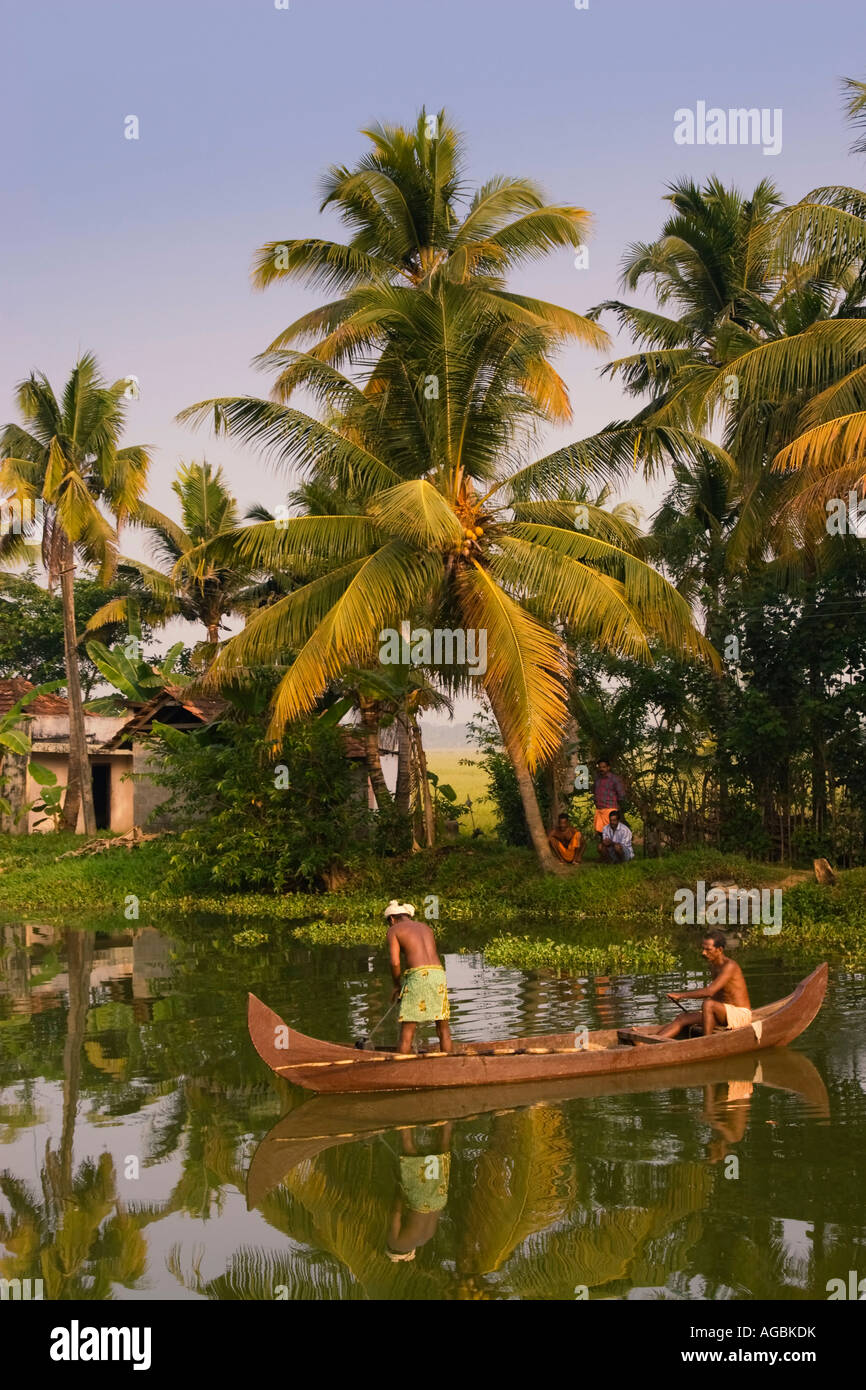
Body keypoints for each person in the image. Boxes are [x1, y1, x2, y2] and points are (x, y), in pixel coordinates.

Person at [655, 930, 754, 1039]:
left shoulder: (729, 966)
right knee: (683, 1018)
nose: (703, 953)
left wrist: (680, 995)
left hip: (740, 1014)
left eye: (708, 949)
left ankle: (705, 1042)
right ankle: (648, 1043)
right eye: (703, 948)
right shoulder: (712, 965)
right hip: (722, 1012)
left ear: (719, 950)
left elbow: (709, 991)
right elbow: (716, 994)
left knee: (708, 1004)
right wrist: (704, 1014)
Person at [384, 900, 453, 1055]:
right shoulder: (426, 928)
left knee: (407, 1033)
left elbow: (395, 962)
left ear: (392, 919)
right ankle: (449, 1063)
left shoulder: (394, 929)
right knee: (443, 1029)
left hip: (418, 976)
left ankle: (401, 1069)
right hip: (438, 974)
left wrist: (396, 985)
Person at [385, 1122, 453, 1263]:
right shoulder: (395, 1244)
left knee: (442, 1149)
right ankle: (404, 1115)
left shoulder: (424, 1240)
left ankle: (449, 1118)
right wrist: (399, 1190)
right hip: (419, 1202)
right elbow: (395, 1214)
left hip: (438, 1201)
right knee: (409, 1150)